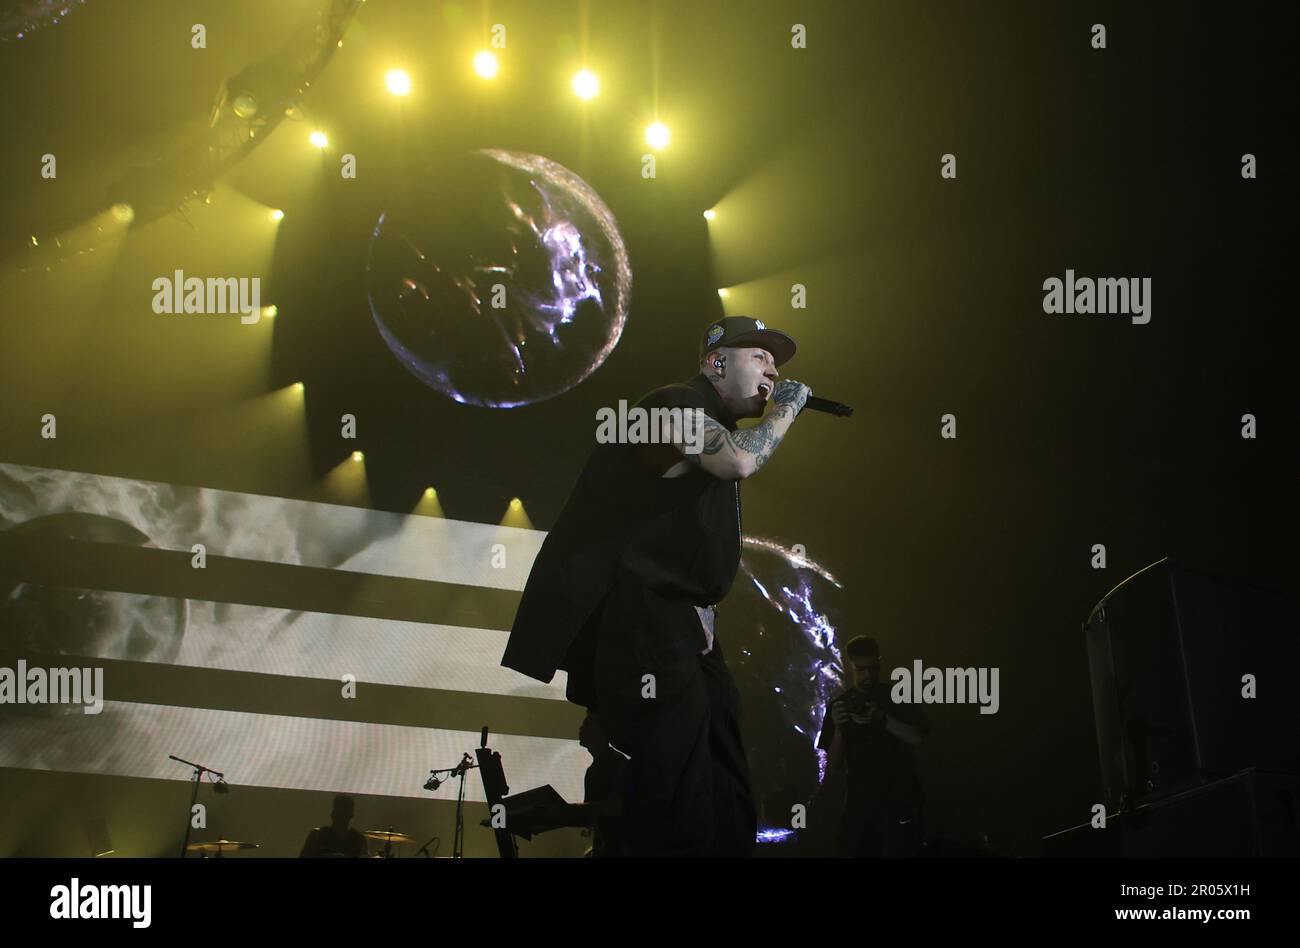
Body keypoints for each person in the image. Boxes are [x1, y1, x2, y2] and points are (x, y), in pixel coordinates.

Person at [502, 315, 811, 856]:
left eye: (777, 364)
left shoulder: (705, 419)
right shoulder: (671, 405)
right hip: (645, 621)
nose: (773, 372)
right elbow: (735, 461)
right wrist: (786, 409)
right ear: (716, 363)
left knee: (725, 787)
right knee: (672, 792)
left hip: (683, 627)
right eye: (760, 357)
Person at [818, 636, 930, 857]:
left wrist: (882, 719)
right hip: (861, 808)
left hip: (901, 803)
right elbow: (832, 768)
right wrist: (840, 730)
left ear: (879, 663)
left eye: (872, 668)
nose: (868, 675)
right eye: (861, 669)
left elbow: (918, 738)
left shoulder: (898, 697)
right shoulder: (838, 707)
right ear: (849, 665)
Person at [299, 794, 368, 858]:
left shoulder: (358, 839)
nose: (341, 815)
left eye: (344, 812)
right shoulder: (317, 835)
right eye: (339, 811)